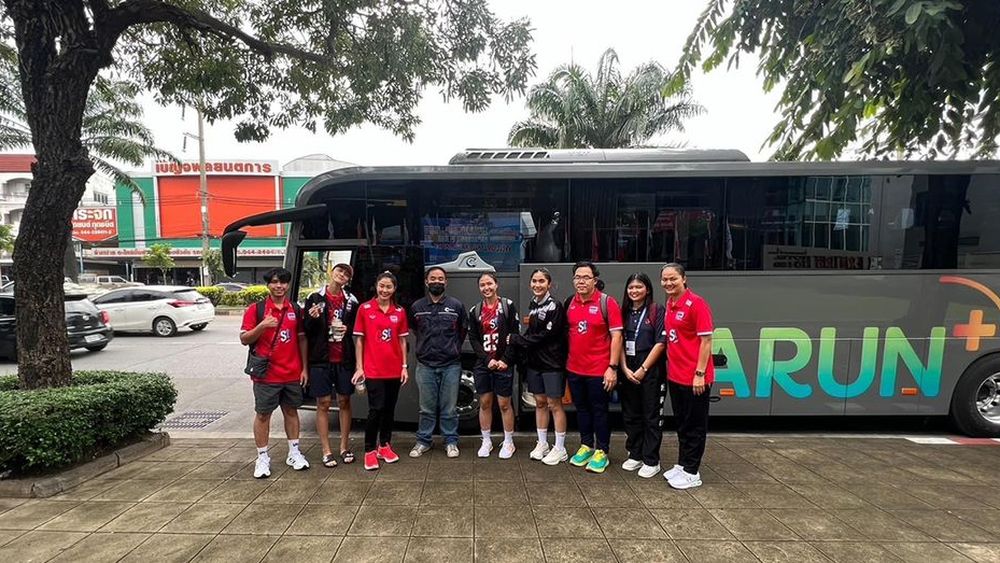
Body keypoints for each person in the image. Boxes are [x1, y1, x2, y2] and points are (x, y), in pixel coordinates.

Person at [239, 267, 310, 478]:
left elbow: (302, 339)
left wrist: (304, 368)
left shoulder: (295, 309)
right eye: (275, 282)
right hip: (266, 375)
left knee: (291, 412)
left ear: (288, 285)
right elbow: (244, 339)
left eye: (283, 282)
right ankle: (262, 458)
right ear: (268, 285)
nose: (279, 286)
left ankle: (294, 452)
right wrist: (262, 325)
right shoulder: (257, 309)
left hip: (291, 372)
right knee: (263, 415)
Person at [565, 261, 623, 473]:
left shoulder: (607, 303)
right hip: (574, 368)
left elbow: (617, 337)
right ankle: (586, 445)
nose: (581, 281)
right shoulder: (570, 302)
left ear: (595, 280)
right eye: (577, 277)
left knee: (600, 411)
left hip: (599, 370)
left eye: (586, 277)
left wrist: (612, 367)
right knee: (581, 410)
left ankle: (602, 451)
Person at [661, 262, 714, 490]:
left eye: (673, 279)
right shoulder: (671, 303)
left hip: (695, 377)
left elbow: (706, 341)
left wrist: (700, 374)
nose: (668, 283)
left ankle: (692, 472)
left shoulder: (697, 304)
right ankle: (683, 464)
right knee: (682, 423)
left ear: (684, 279)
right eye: (665, 279)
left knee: (695, 425)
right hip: (676, 375)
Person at [510, 267, 569, 465]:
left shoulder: (555, 306)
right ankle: (542, 443)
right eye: (534, 281)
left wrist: (519, 340)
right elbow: (532, 332)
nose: (537, 285)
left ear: (549, 284)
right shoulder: (533, 305)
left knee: (555, 404)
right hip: (535, 363)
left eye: (541, 281)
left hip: (552, 363)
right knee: (540, 403)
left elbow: (546, 335)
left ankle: (560, 447)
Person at [303, 263, 359, 468]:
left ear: (348, 280)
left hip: (344, 358)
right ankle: (326, 450)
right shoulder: (314, 297)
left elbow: (357, 328)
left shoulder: (351, 301)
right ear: (331, 272)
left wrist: (348, 327)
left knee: (345, 401)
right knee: (323, 403)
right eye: (339, 271)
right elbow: (306, 330)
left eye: (346, 274)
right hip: (320, 359)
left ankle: (344, 447)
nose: (342, 275)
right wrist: (311, 317)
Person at [352, 271, 410, 471]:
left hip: (394, 370)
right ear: (376, 286)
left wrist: (404, 366)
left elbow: (403, 341)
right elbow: (359, 340)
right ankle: (369, 450)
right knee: (375, 410)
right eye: (382, 286)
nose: (385, 290)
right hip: (373, 369)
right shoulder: (365, 309)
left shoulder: (400, 312)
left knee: (389, 410)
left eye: (389, 287)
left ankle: (384, 445)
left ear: (394, 289)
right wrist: (360, 367)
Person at [407, 266, 467, 459]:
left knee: (449, 408)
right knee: (426, 408)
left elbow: (462, 331)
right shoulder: (417, 307)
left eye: (441, 279)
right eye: (433, 278)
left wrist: (453, 349)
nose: (437, 282)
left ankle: (451, 441)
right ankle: (424, 440)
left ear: (446, 282)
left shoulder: (456, 306)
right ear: (426, 282)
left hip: (451, 364)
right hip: (425, 365)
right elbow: (414, 330)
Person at [618, 272, 666, 478]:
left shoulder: (656, 310)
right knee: (631, 414)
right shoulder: (624, 311)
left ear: (647, 289)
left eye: (639, 287)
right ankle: (635, 454)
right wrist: (624, 368)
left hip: (650, 369)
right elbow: (618, 340)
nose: (634, 291)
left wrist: (643, 369)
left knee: (651, 415)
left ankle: (651, 459)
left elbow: (660, 343)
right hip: (628, 368)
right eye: (631, 287)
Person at [467, 272, 520, 459]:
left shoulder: (508, 306)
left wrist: (505, 359)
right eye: (482, 285)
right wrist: (486, 359)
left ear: (496, 285)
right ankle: (486, 440)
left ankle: (508, 441)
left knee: (504, 403)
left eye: (489, 283)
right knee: (485, 402)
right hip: (484, 363)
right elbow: (473, 339)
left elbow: (515, 335)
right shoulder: (475, 310)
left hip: (504, 363)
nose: (486, 288)